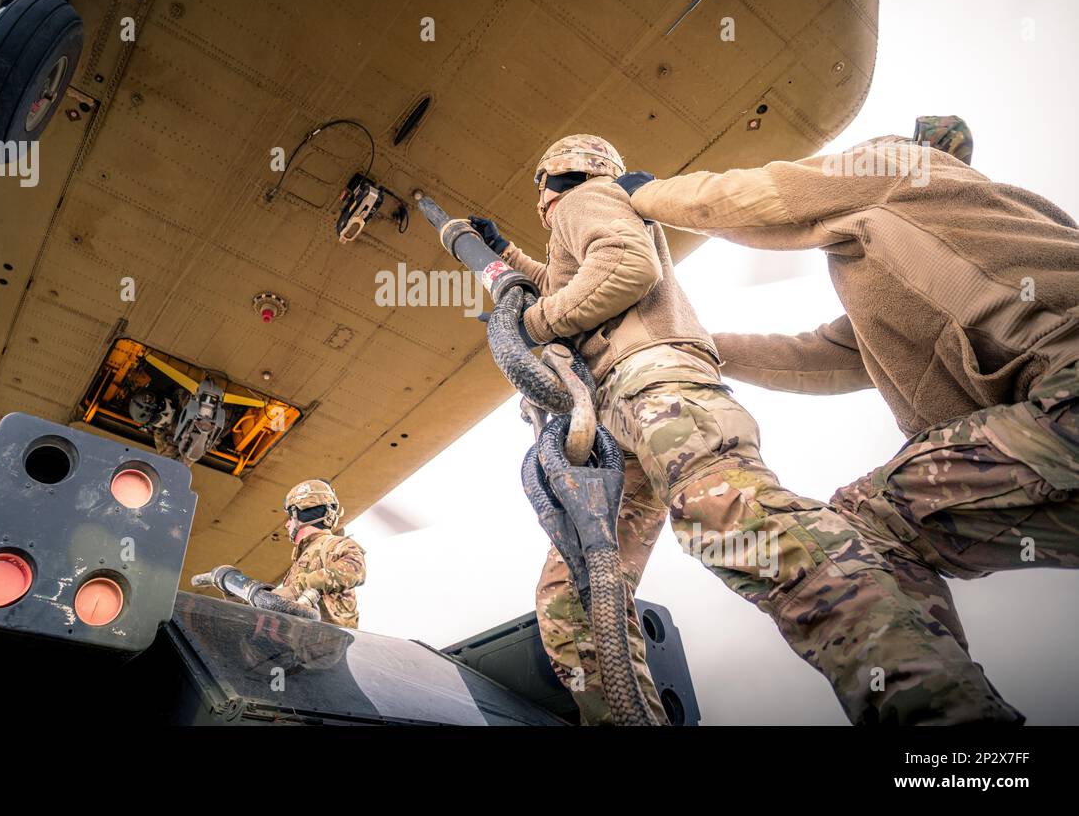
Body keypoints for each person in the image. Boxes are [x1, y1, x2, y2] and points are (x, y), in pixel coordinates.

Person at [469, 132, 1018, 725]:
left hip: (654, 391)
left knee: (738, 519)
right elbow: (565, 281)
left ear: (553, 180)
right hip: (621, 419)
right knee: (576, 598)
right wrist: (506, 259)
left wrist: (536, 320)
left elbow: (623, 266)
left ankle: (949, 723)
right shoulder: (581, 220)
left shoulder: (586, 199)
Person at [620, 116, 1079, 722]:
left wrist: (640, 195)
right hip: (1057, 436)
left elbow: (760, 197)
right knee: (880, 543)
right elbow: (825, 357)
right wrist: (686, 345)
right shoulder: (940, 247)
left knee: (856, 537)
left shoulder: (903, 171)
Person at [271, 479, 367, 629]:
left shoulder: (334, 545)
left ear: (299, 515)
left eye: (291, 517)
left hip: (327, 642)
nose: (287, 524)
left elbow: (355, 569)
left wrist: (298, 588)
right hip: (301, 642)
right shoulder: (303, 556)